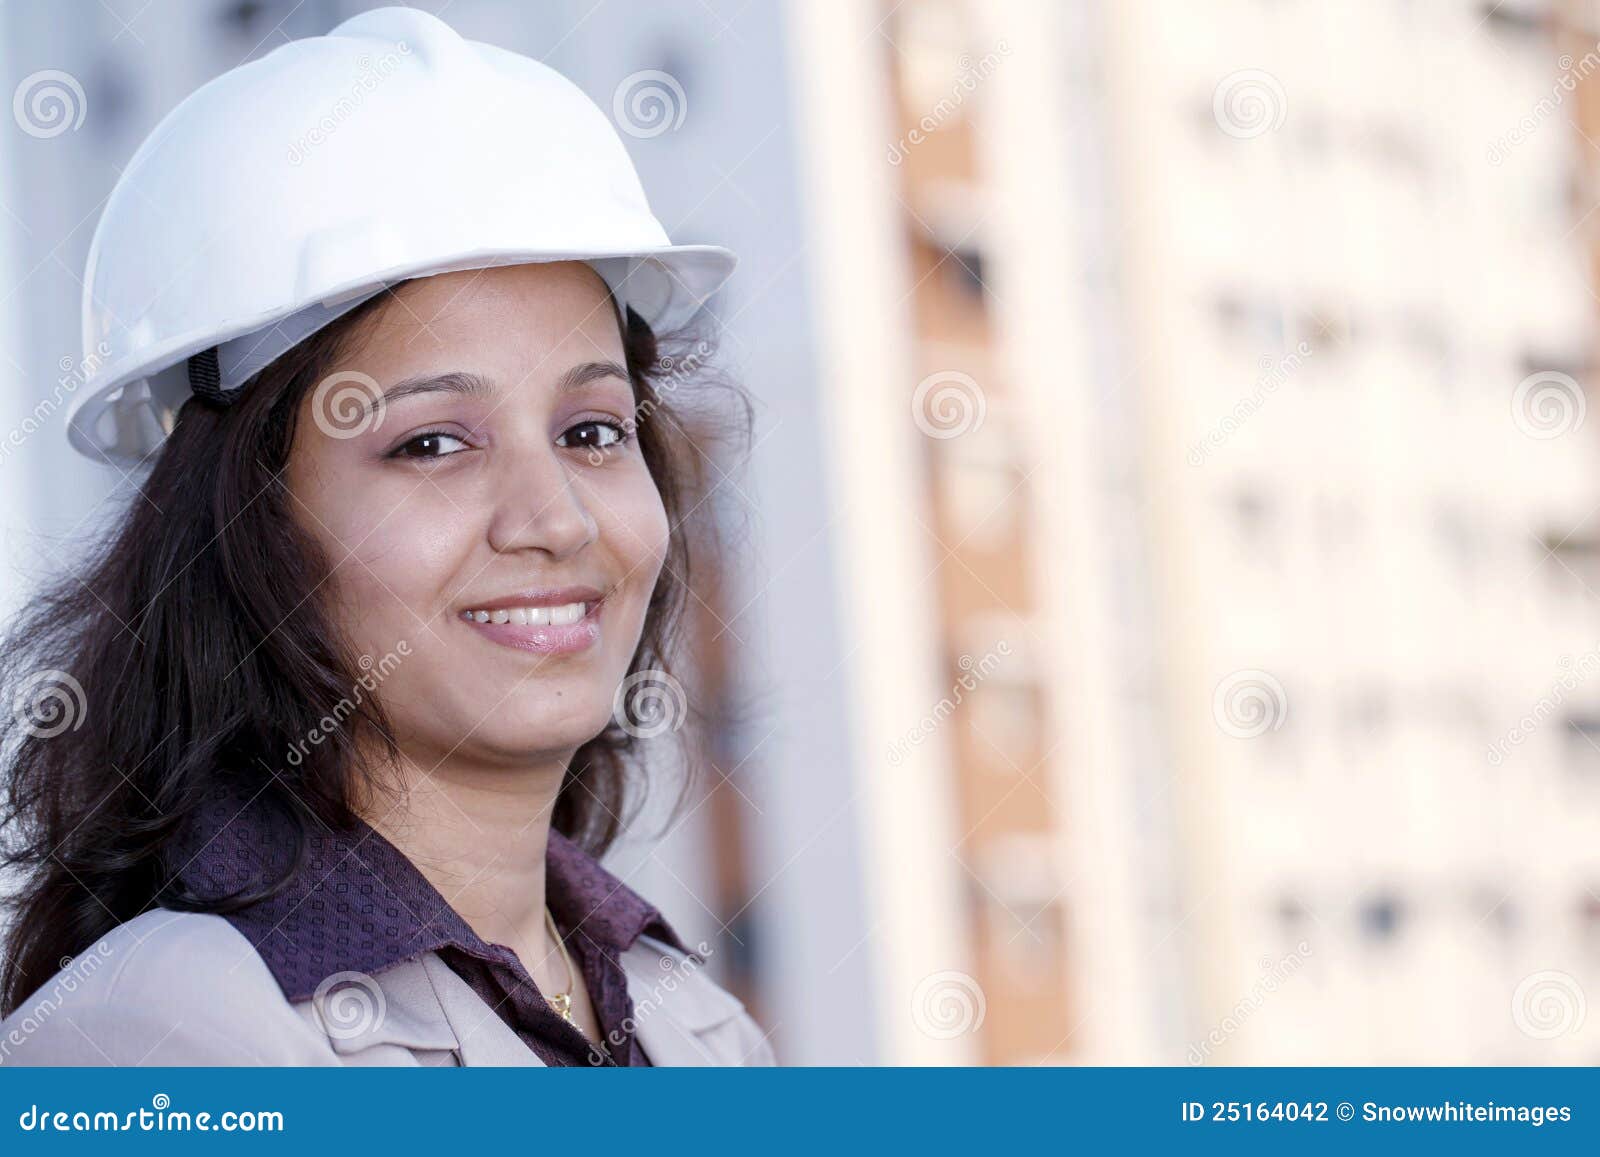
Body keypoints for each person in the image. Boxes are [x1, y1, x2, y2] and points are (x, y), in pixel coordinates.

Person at [0, 6, 770, 1067]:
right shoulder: (157, 1036)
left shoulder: (696, 1023)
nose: (555, 518)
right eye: (431, 444)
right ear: (246, 528)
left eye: (592, 429)